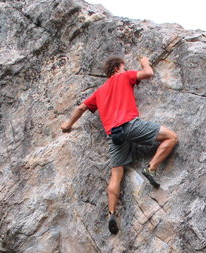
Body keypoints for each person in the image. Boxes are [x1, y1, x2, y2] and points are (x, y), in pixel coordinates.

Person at [60, 55, 178, 235]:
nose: (125, 69)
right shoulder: (123, 76)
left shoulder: (100, 91)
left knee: (116, 176)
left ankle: (112, 213)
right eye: (124, 67)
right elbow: (148, 73)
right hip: (131, 125)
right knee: (171, 137)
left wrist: (68, 125)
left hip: (114, 135)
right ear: (117, 68)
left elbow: (81, 108)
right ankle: (151, 168)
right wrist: (144, 62)